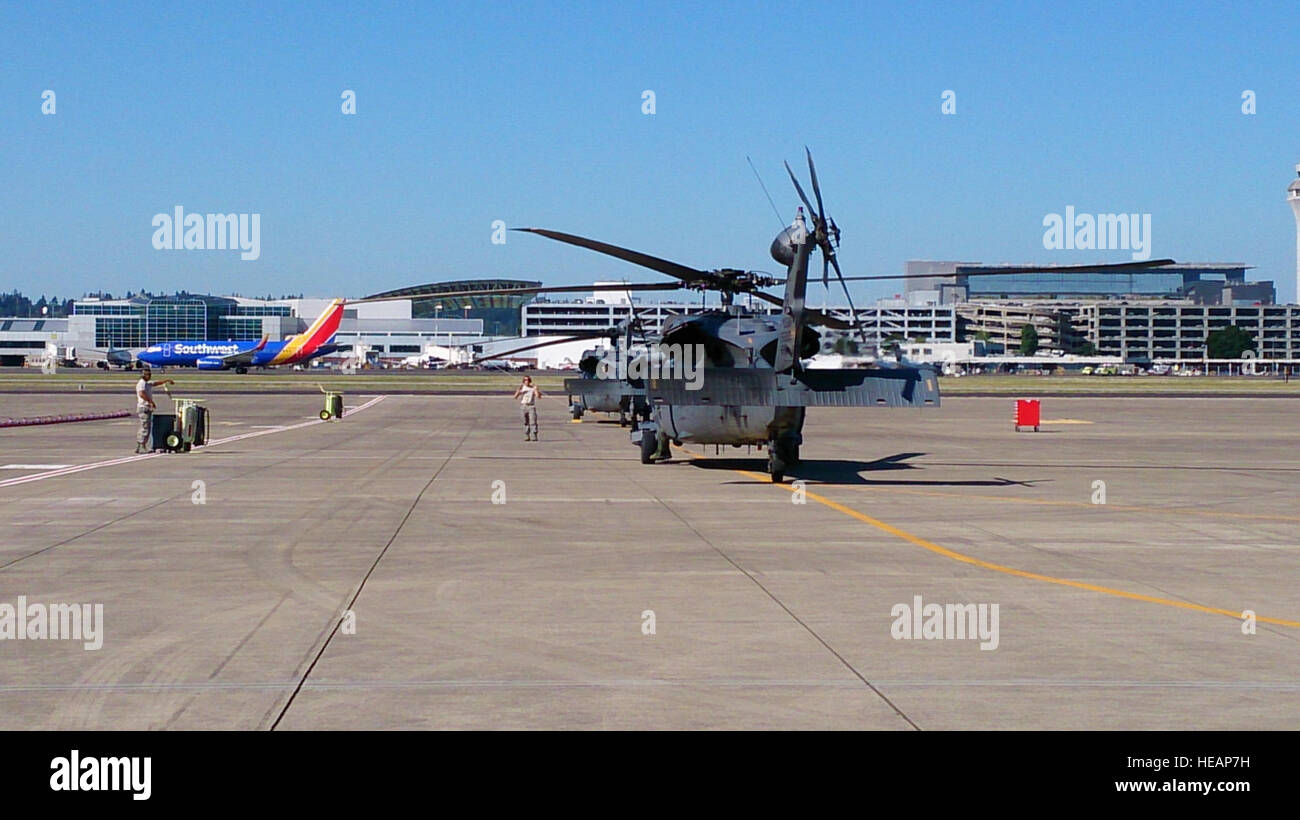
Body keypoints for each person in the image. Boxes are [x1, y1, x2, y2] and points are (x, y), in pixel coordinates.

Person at [135, 368, 175, 453]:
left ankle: (141, 445)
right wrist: (151, 402)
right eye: (148, 375)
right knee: (145, 427)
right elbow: (141, 394)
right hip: (144, 407)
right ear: (144, 375)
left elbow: (155, 383)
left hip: (146, 407)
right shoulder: (142, 383)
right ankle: (142, 445)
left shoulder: (146, 383)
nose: (150, 376)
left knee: (145, 426)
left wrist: (166, 381)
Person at [513, 375, 542, 441]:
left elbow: (538, 397)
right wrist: (519, 391)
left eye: (528, 380)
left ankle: (534, 435)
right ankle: (527, 435)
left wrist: (536, 390)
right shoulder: (522, 388)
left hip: (531, 406)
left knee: (533, 421)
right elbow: (515, 397)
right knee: (525, 421)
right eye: (525, 380)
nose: (527, 382)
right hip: (523, 406)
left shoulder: (532, 388)